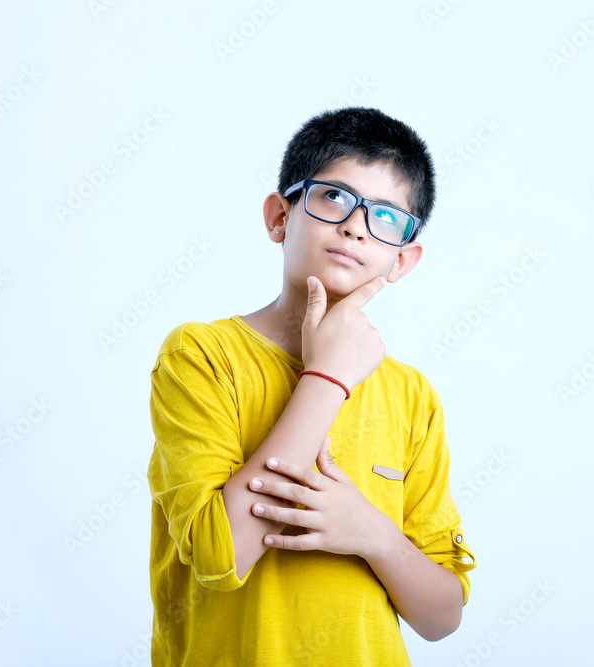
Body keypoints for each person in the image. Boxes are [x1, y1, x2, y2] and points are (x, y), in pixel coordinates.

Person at [147, 106, 476, 666]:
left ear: (403, 259)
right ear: (279, 216)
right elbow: (221, 557)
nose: (354, 225)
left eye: (387, 217)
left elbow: (442, 617)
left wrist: (371, 533)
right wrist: (328, 376)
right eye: (334, 198)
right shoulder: (201, 354)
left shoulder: (412, 396)